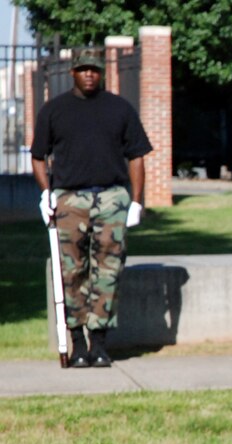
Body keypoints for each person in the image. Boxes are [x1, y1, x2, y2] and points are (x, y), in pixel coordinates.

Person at [31, 49, 153, 368]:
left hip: (112, 197)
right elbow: (38, 155)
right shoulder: (54, 110)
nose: (89, 74)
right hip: (70, 199)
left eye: (95, 70)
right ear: (73, 72)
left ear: (102, 73)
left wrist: (137, 201)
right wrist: (47, 193)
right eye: (83, 69)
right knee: (71, 271)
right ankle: (78, 343)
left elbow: (137, 156)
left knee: (108, 270)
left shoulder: (120, 109)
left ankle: (99, 342)